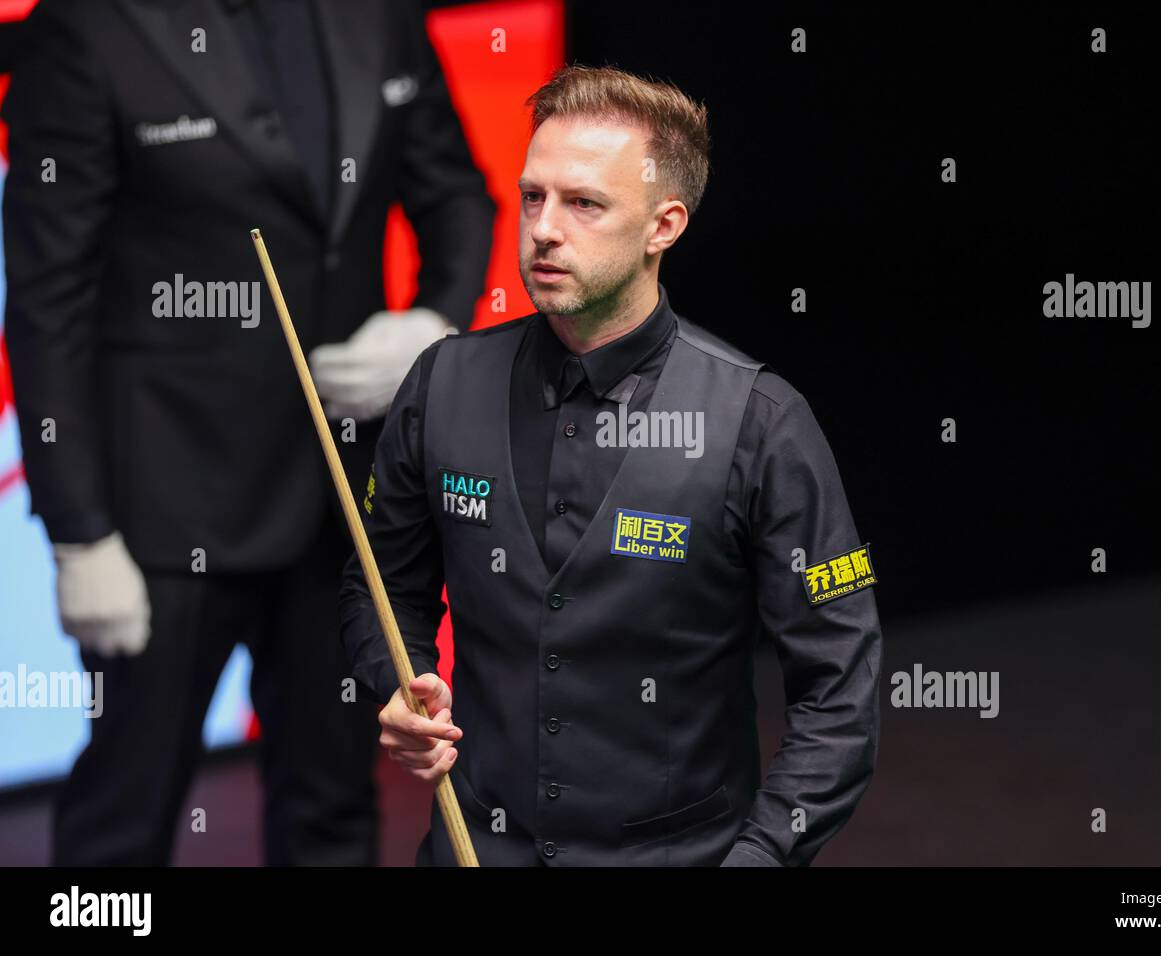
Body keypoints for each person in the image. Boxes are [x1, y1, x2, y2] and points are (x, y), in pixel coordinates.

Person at [340, 63, 881, 866]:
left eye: (584, 203)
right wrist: (400, 680)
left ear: (664, 225)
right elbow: (381, 588)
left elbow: (841, 694)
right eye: (533, 197)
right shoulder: (441, 384)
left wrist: (762, 855)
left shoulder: (760, 422)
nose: (544, 229)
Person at [2, 0, 494, 865]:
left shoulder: (376, 12)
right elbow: (47, 300)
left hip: (340, 497)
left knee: (336, 807)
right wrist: (79, 533)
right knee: (125, 811)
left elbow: (455, 192)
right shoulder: (85, 28)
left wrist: (431, 323)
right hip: (159, 511)